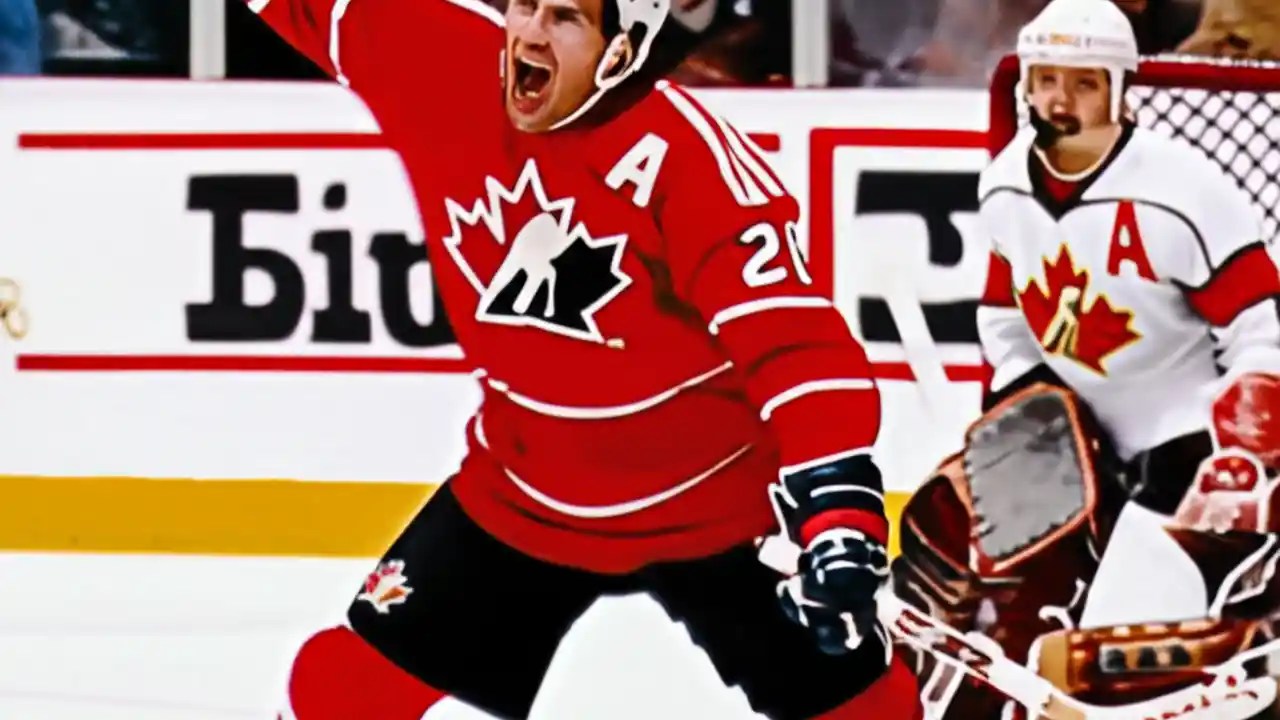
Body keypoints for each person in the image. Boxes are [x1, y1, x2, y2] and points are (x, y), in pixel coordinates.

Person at [245, 1, 922, 718]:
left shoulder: (687, 158)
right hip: (524, 491)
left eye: (565, 16)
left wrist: (839, 510)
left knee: (867, 713)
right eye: (524, 5)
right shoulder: (429, 50)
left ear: (624, 51)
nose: (530, 31)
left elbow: (796, 347)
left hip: (718, 505)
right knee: (340, 690)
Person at [891, 0, 1280, 715]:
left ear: (1121, 90)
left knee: (1104, 651)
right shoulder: (1005, 184)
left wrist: (1253, 397)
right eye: (1044, 80)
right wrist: (1025, 392)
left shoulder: (1185, 191)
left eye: (1084, 82)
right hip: (1071, 429)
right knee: (941, 530)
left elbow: (1259, 318)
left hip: (1181, 441)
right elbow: (1004, 312)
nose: (1059, 100)